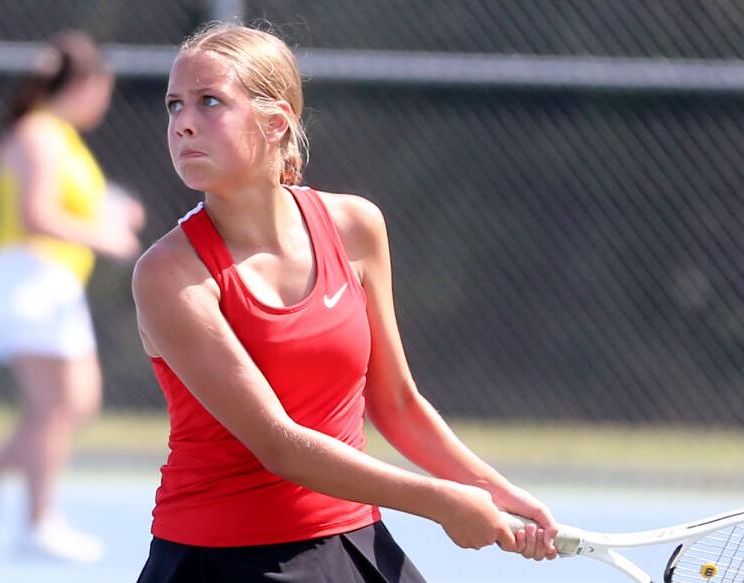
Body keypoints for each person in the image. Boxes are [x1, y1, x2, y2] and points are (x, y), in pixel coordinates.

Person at [131, 22, 558, 582]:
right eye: (174, 105)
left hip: (355, 542)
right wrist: (443, 503)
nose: (183, 123)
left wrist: (495, 491)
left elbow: (397, 403)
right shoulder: (170, 275)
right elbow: (279, 445)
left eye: (209, 102)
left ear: (275, 120)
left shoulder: (356, 227)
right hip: (223, 560)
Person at [0, 30, 145, 563]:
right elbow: (39, 214)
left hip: (52, 282)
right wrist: (103, 234)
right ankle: (39, 522)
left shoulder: (60, 137)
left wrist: (110, 213)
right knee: (54, 404)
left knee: (77, 402)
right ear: (84, 83)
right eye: (102, 86)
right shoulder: (39, 133)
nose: (105, 99)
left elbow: (72, 204)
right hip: (26, 279)